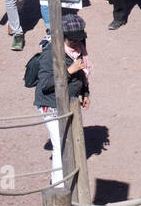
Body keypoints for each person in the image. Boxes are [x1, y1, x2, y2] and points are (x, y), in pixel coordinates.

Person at [25, 12, 91, 186]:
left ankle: (66, 177)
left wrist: (85, 93)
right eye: (72, 40)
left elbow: (82, 75)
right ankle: (57, 185)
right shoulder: (50, 54)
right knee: (60, 144)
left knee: (68, 140)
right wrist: (70, 71)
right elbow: (46, 84)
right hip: (50, 105)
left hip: (69, 101)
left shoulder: (79, 49)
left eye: (79, 38)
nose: (76, 43)